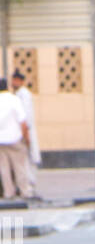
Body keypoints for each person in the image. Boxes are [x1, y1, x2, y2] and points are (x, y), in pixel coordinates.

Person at [10, 69, 41, 200]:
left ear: (20, 81)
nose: (13, 82)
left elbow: (25, 116)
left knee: (28, 160)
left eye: (15, 80)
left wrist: (25, 134)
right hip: (20, 132)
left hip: (24, 132)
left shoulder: (24, 94)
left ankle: (29, 185)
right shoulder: (16, 95)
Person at [0, 76, 31, 199]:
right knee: (20, 167)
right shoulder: (14, 99)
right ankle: (25, 191)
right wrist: (26, 138)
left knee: (4, 169)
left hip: (0, 140)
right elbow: (23, 122)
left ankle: (9, 192)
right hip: (15, 139)